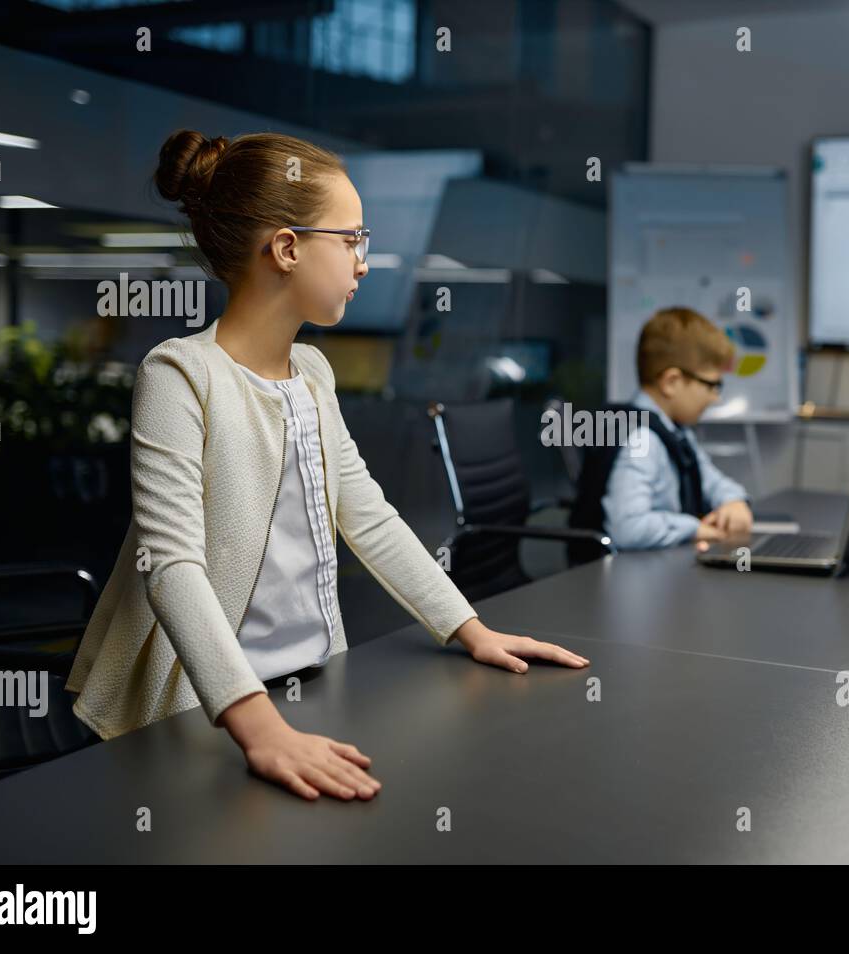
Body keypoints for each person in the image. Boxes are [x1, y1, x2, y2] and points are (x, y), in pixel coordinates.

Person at [66, 130, 588, 802]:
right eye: (351, 241)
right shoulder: (180, 374)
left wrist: (470, 629)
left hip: (316, 680)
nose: (364, 263)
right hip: (206, 706)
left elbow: (367, 515)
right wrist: (259, 728)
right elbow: (171, 567)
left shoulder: (312, 373)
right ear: (286, 248)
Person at [602, 307, 752, 549]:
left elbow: (710, 480)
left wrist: (734, 501)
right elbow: (627, 528)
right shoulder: (642, 440)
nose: (716, 398)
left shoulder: (676, 432)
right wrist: (694, 528)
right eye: (712, 385)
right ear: (671, 382)